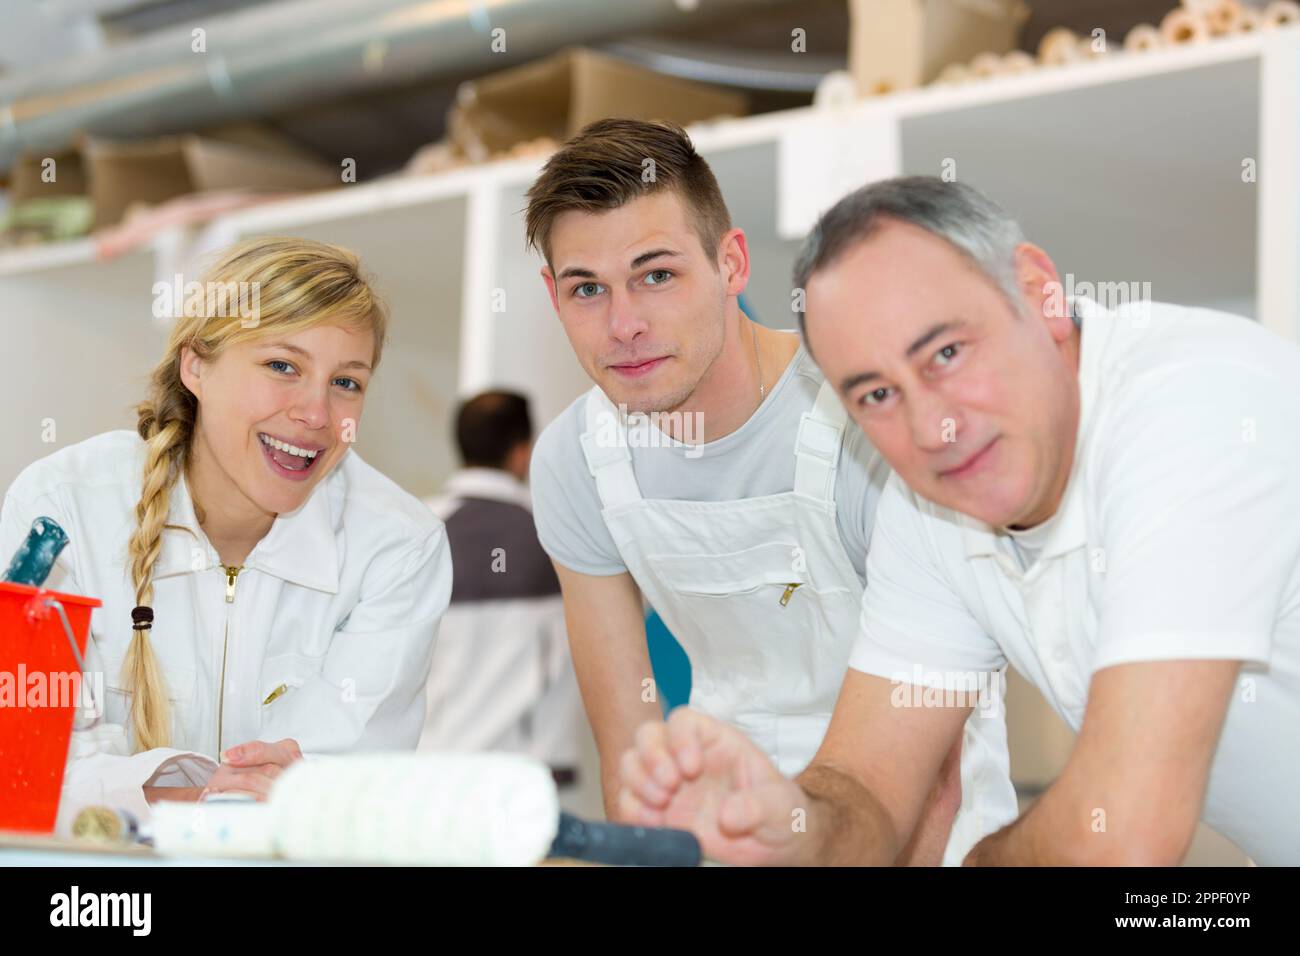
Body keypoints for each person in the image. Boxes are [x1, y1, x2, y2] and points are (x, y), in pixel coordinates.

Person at [619, 176, 1300, 866]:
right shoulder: (930, 504)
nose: (932, 426)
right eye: (877, 393)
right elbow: (870, 789)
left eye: (946, 354)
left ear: (1039, 292)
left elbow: (1124, 833)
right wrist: (786, 821)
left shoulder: (1197, 405)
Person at [525, 120, 1017, 863]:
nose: (623, 325)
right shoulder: (575, 462)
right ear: (552, 297)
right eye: (587, 289)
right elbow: (633, 749)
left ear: (732, 263)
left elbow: (933, 771)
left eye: (657, 275)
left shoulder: (865, 423)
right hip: (728, 829)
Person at [0, 237, 452, 834]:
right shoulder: (61, 510)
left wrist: (298, 791)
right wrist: (170, 782)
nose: (316, 413)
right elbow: (23, 767)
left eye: (347, 382)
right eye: (282, 366)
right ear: (196, 366)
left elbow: (354, 780)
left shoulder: (396, 545)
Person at [420, 390, 581, 783]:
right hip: (523, 777)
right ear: (522, 452)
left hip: (426, 770)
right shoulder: (556, 535)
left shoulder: (416, 529)